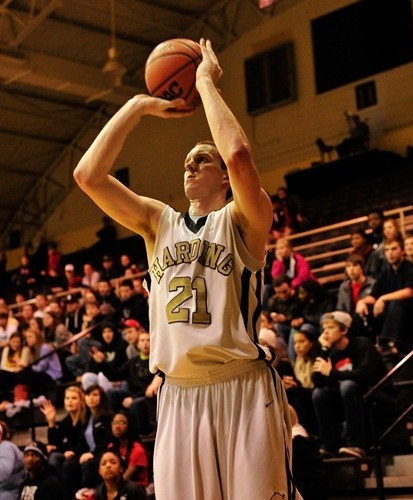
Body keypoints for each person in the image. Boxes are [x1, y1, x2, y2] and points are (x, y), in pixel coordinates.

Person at [74, 38, 295, 499]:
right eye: (186, 162)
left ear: (223, 177)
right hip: (177, 393)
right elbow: (87, 175)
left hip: (243, 386)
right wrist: (138, 106)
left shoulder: (243, 219)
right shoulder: (158, 222)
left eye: (202, 160)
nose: (191, 166)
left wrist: (203, 82)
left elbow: (238, 154)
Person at [311, 311, 386, 459]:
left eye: (330, 327)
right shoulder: (331, 353)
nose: (325, 332)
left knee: (347, 386)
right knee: (319, 393)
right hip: (350, 396)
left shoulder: (362, 344)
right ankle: (329, 446)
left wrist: (332, 373)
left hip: (376, 394)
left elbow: (365, 376)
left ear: (344, 330)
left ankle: (356, 445)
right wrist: (324, 350)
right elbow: (317, 381)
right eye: (324, 329)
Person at [358, 238, 413, 353]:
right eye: (387, 250)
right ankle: (365, 349)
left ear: (402, 251)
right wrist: (361, 302)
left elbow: (409, 292)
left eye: (394, 249)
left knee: (396, 303)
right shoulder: (385, 274)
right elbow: (373, 296)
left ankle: (390, 343)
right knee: (363, 311)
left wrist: (383, 298)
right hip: (393, 313)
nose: (390, 253)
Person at [104, 412, 148, 486]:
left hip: (137, 487)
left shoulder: (137, 449)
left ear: (130, 425)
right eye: (115, 423)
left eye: (122, 423)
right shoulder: (111, 447)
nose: (117, 426)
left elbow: (126, 478)